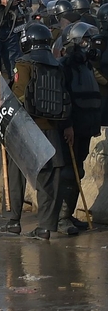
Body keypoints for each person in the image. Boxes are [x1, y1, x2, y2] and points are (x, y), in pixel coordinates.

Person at [0, 22, 73, 238]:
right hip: (51, 131)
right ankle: (45, 228)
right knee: (49, 180)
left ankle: (13, 221)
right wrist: (68, 126)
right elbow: (65, 98)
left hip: (25, 130)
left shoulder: (23, 64)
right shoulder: (57, 66)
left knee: (16, 176)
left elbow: (18, 97)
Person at [57, 21, 105, 232]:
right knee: (68, 171)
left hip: (86, 127)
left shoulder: (87, 67)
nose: (88, 45)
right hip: (72, 129)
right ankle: (61, 219)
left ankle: (68, 216)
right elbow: (62, 99)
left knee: (79, 169)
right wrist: (68, 125)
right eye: (84, 41)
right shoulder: (65, 67)